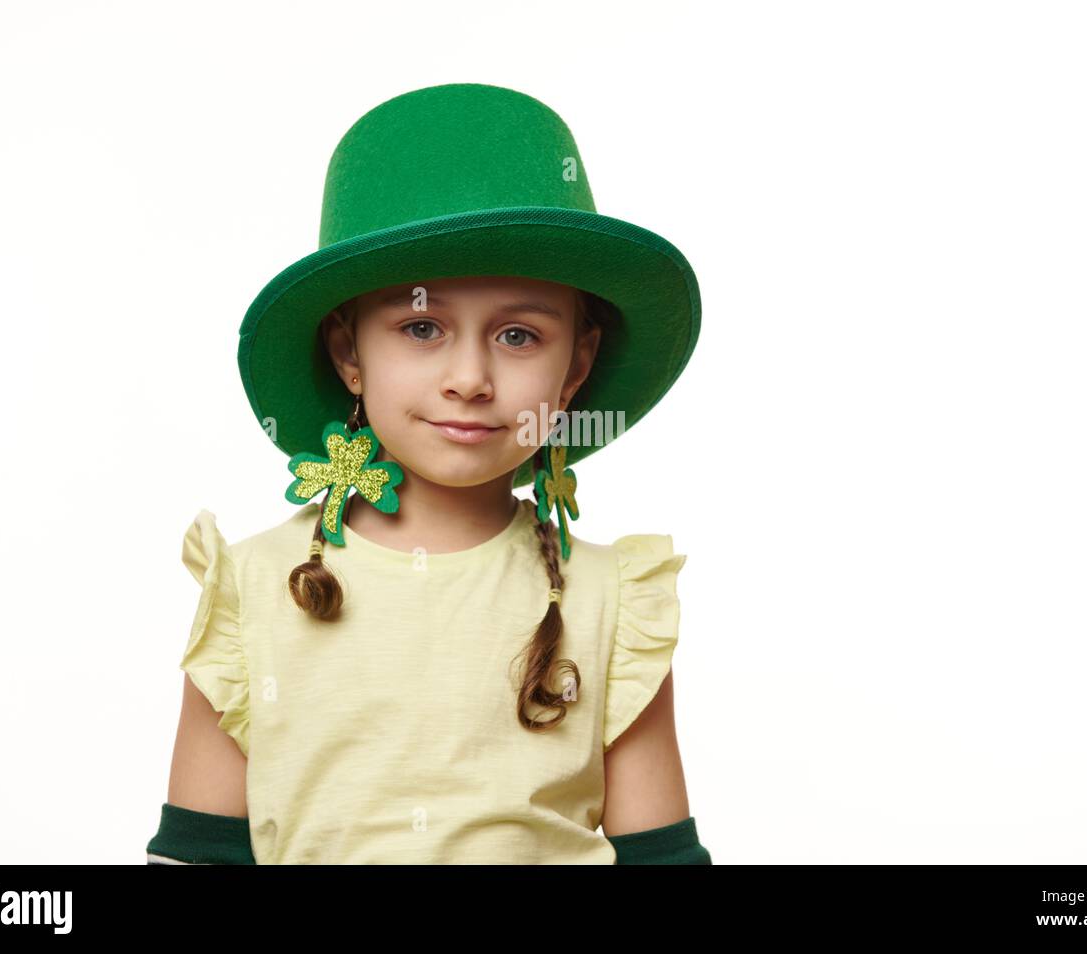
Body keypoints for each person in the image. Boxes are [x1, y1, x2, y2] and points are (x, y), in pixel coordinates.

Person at [146, 83, 710, 864]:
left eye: (518, 334)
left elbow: (662, 857)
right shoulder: (252, 591)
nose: (470, 378)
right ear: (348, 352)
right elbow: (198, 854)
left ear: (576, 364)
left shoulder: (614, 603)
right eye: (421, 327)